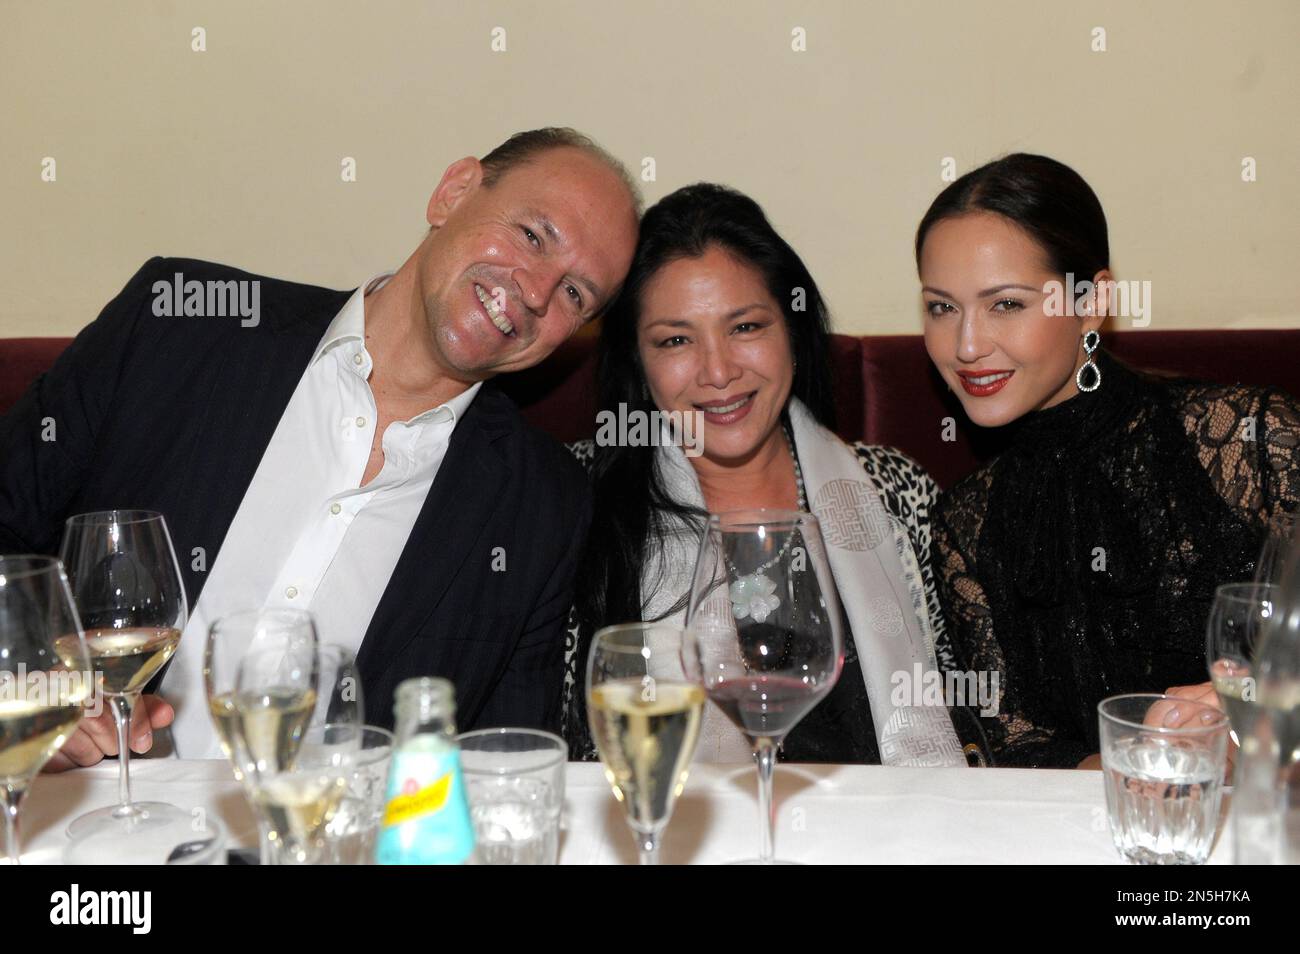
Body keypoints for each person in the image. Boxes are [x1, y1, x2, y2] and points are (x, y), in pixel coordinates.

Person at [0, 127, 640, 767]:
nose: (534, 293)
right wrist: (36, 686)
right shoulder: (178, 325)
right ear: (453, 191)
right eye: (532, 235)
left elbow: (506, 768)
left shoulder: (544, 507)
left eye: (574, 294)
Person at [563, 183, 967, 766]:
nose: (719, 371)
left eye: (746, 327)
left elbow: (968, 712)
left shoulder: (894, 493)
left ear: (793, 334)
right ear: (637, 362)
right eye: (676, 340)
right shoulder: (574, 500)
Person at [919, 153, 1300, 768]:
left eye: (1007, 304)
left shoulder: (1247, 439)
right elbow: (1015, 748)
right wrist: (1141, 761)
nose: (965, 345)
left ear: (1092, 302)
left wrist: (1255, 710)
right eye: (941, 307)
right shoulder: (967, 518)